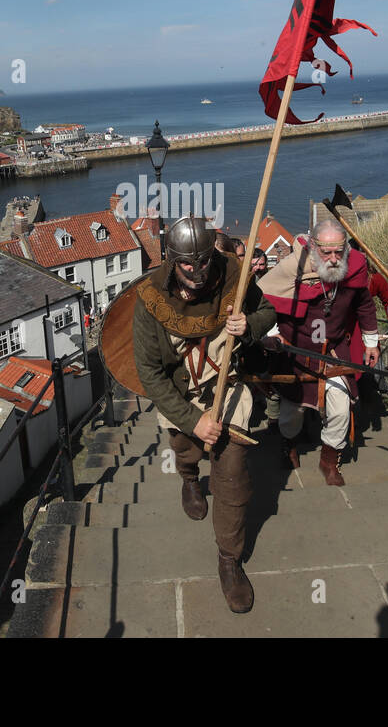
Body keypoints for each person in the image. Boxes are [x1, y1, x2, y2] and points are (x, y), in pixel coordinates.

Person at [133, 215, 276, 613]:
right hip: (181, 397)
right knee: (185, 448)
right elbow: (149, 371)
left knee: (232, 477)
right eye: (187, 266)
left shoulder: (235, 273)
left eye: (204, 263)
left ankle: (229, 559)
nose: (197, 274)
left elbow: (268, 312)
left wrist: (248, 324)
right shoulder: (150, 300)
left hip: (226, 390)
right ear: (172, 261)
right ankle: (189, 478)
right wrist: (192, 420)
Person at [257, 220, 379, 486]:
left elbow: (365, 306)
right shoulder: (291, 270)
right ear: (314, 247)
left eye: (339, 251)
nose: (334, 259)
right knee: (291, 414)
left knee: (340, 407)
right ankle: (289, 444)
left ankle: (329, 458)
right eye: (327, 252)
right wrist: (272, 332)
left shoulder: (354, 269)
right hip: (294, 352)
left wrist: (371, 342)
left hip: (333, 350)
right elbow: (264, 303)